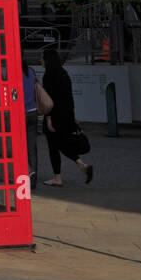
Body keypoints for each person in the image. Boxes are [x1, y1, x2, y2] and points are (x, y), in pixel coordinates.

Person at [40, 47, 93, 186]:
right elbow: (70, 97)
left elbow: (48, 100)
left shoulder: (48, 76)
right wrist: (73, 115)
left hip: (55, 116)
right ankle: (82, 165)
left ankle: (58, 178)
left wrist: (49, 119)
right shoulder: (64, 74)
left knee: (54, 147)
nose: (41, 61)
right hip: (67, 115)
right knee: (61, 143)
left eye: (43, 58)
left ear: (47, 61)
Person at [20, 47, 39, 187]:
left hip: (21, 114)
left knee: (20, 146)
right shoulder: (31, 72)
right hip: (33, 112)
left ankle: (24, 174)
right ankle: (34, 177)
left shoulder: (14, 72)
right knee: (31, 146)